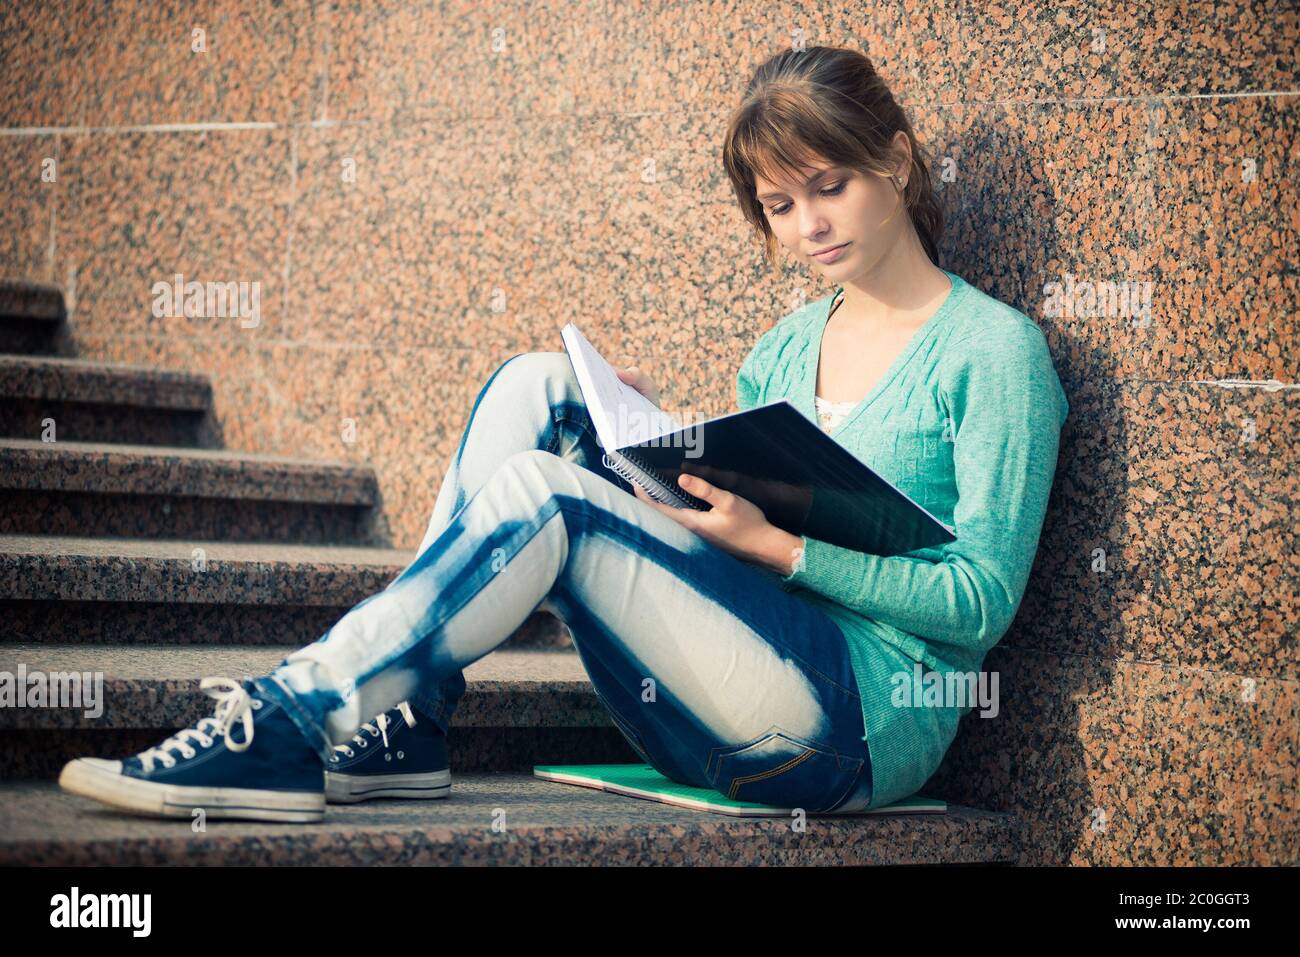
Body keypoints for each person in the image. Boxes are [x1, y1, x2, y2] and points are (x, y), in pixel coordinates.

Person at [58, 45, 1068, 823]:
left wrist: (786, 550)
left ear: (892, 158)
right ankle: (407, 717)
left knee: (551, 494)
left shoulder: (991, 351)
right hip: (708, 700)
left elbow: (979, 604)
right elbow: (727, 566)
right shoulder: (782, 348)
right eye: (779, 204)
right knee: (543, 386)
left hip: (849, 731)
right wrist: (650, 458)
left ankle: (291, 717)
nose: (808, 225)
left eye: (829, 185)